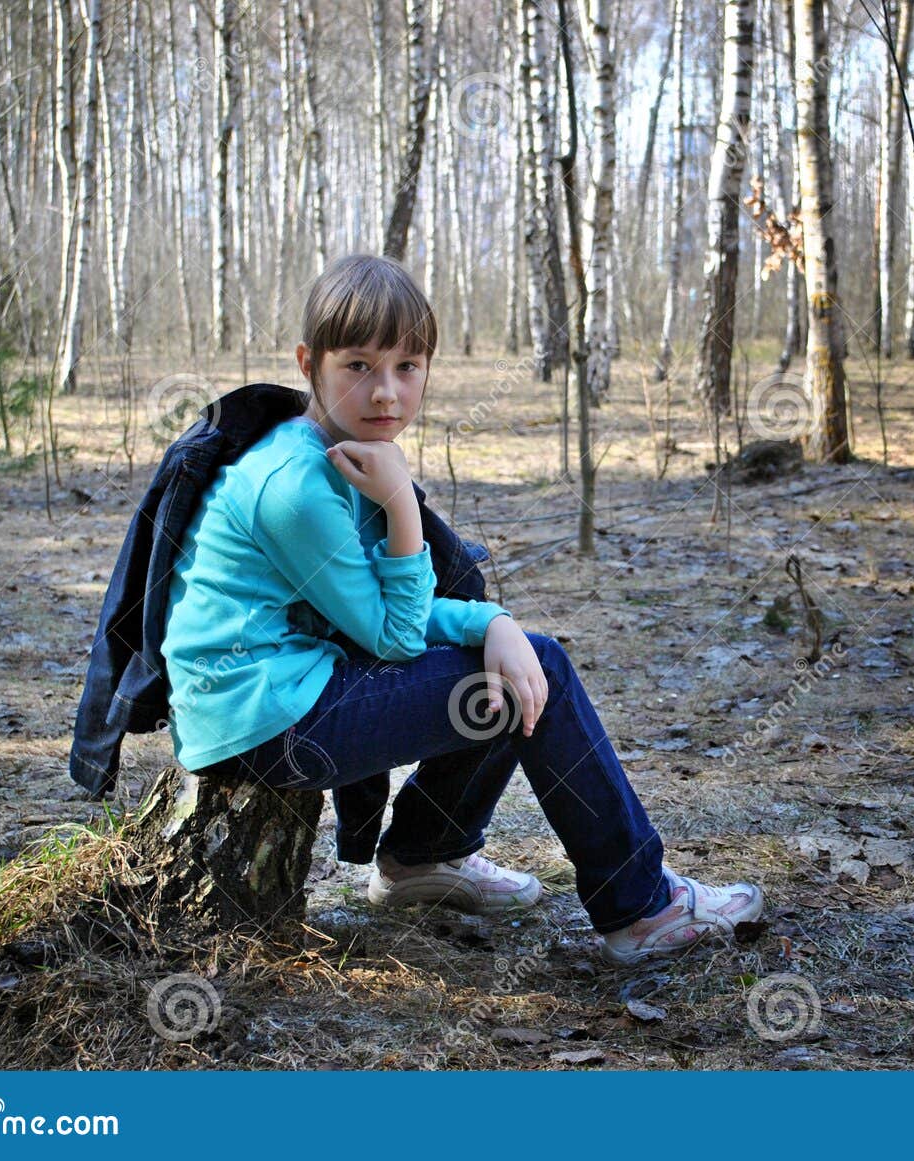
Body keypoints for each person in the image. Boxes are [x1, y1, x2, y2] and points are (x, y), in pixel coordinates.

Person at [159, 254, 764, 966]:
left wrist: (492, 623)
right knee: (540, 670)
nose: (386, 392)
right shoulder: (297, 484)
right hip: (263, 721)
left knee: (515, 662)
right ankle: (640, 909)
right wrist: (401, 504)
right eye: (358, 364)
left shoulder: (335, 449)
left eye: (408, 366)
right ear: (308, 363)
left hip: (275, 695)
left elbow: (383, 614)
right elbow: (392, 634)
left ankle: (426, 855)